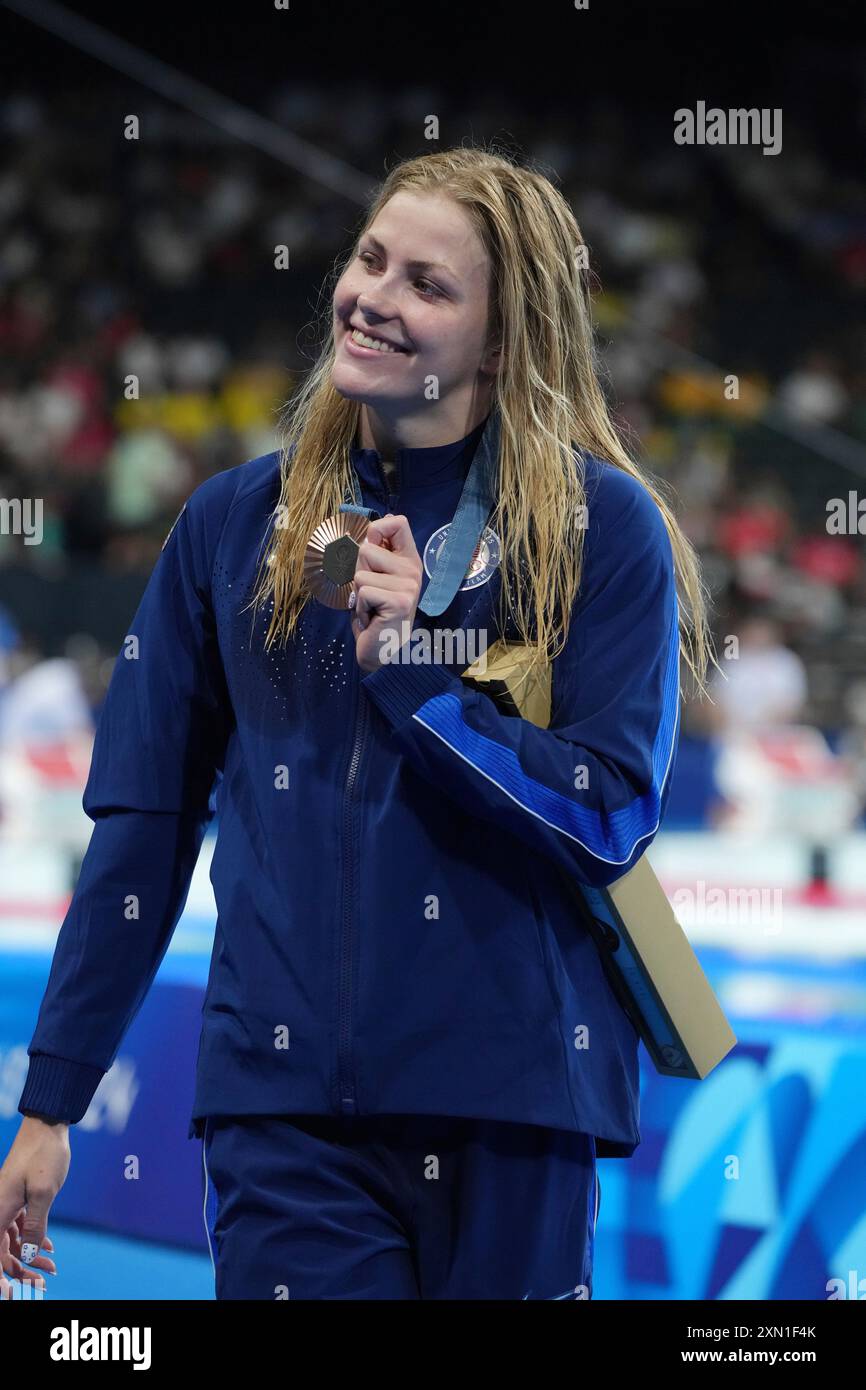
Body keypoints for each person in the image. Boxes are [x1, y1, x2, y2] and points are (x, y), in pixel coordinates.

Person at [0, 145, 712, 1301]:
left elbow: (612, 812)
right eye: (370, 259)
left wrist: (420, 685)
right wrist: (53, 1099)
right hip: (284, 1120)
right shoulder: (231, 525)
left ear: (499, 340)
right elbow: (140, 828)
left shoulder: (598, 528)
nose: (373, 295)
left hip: (513, 1111)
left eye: (426, 284)